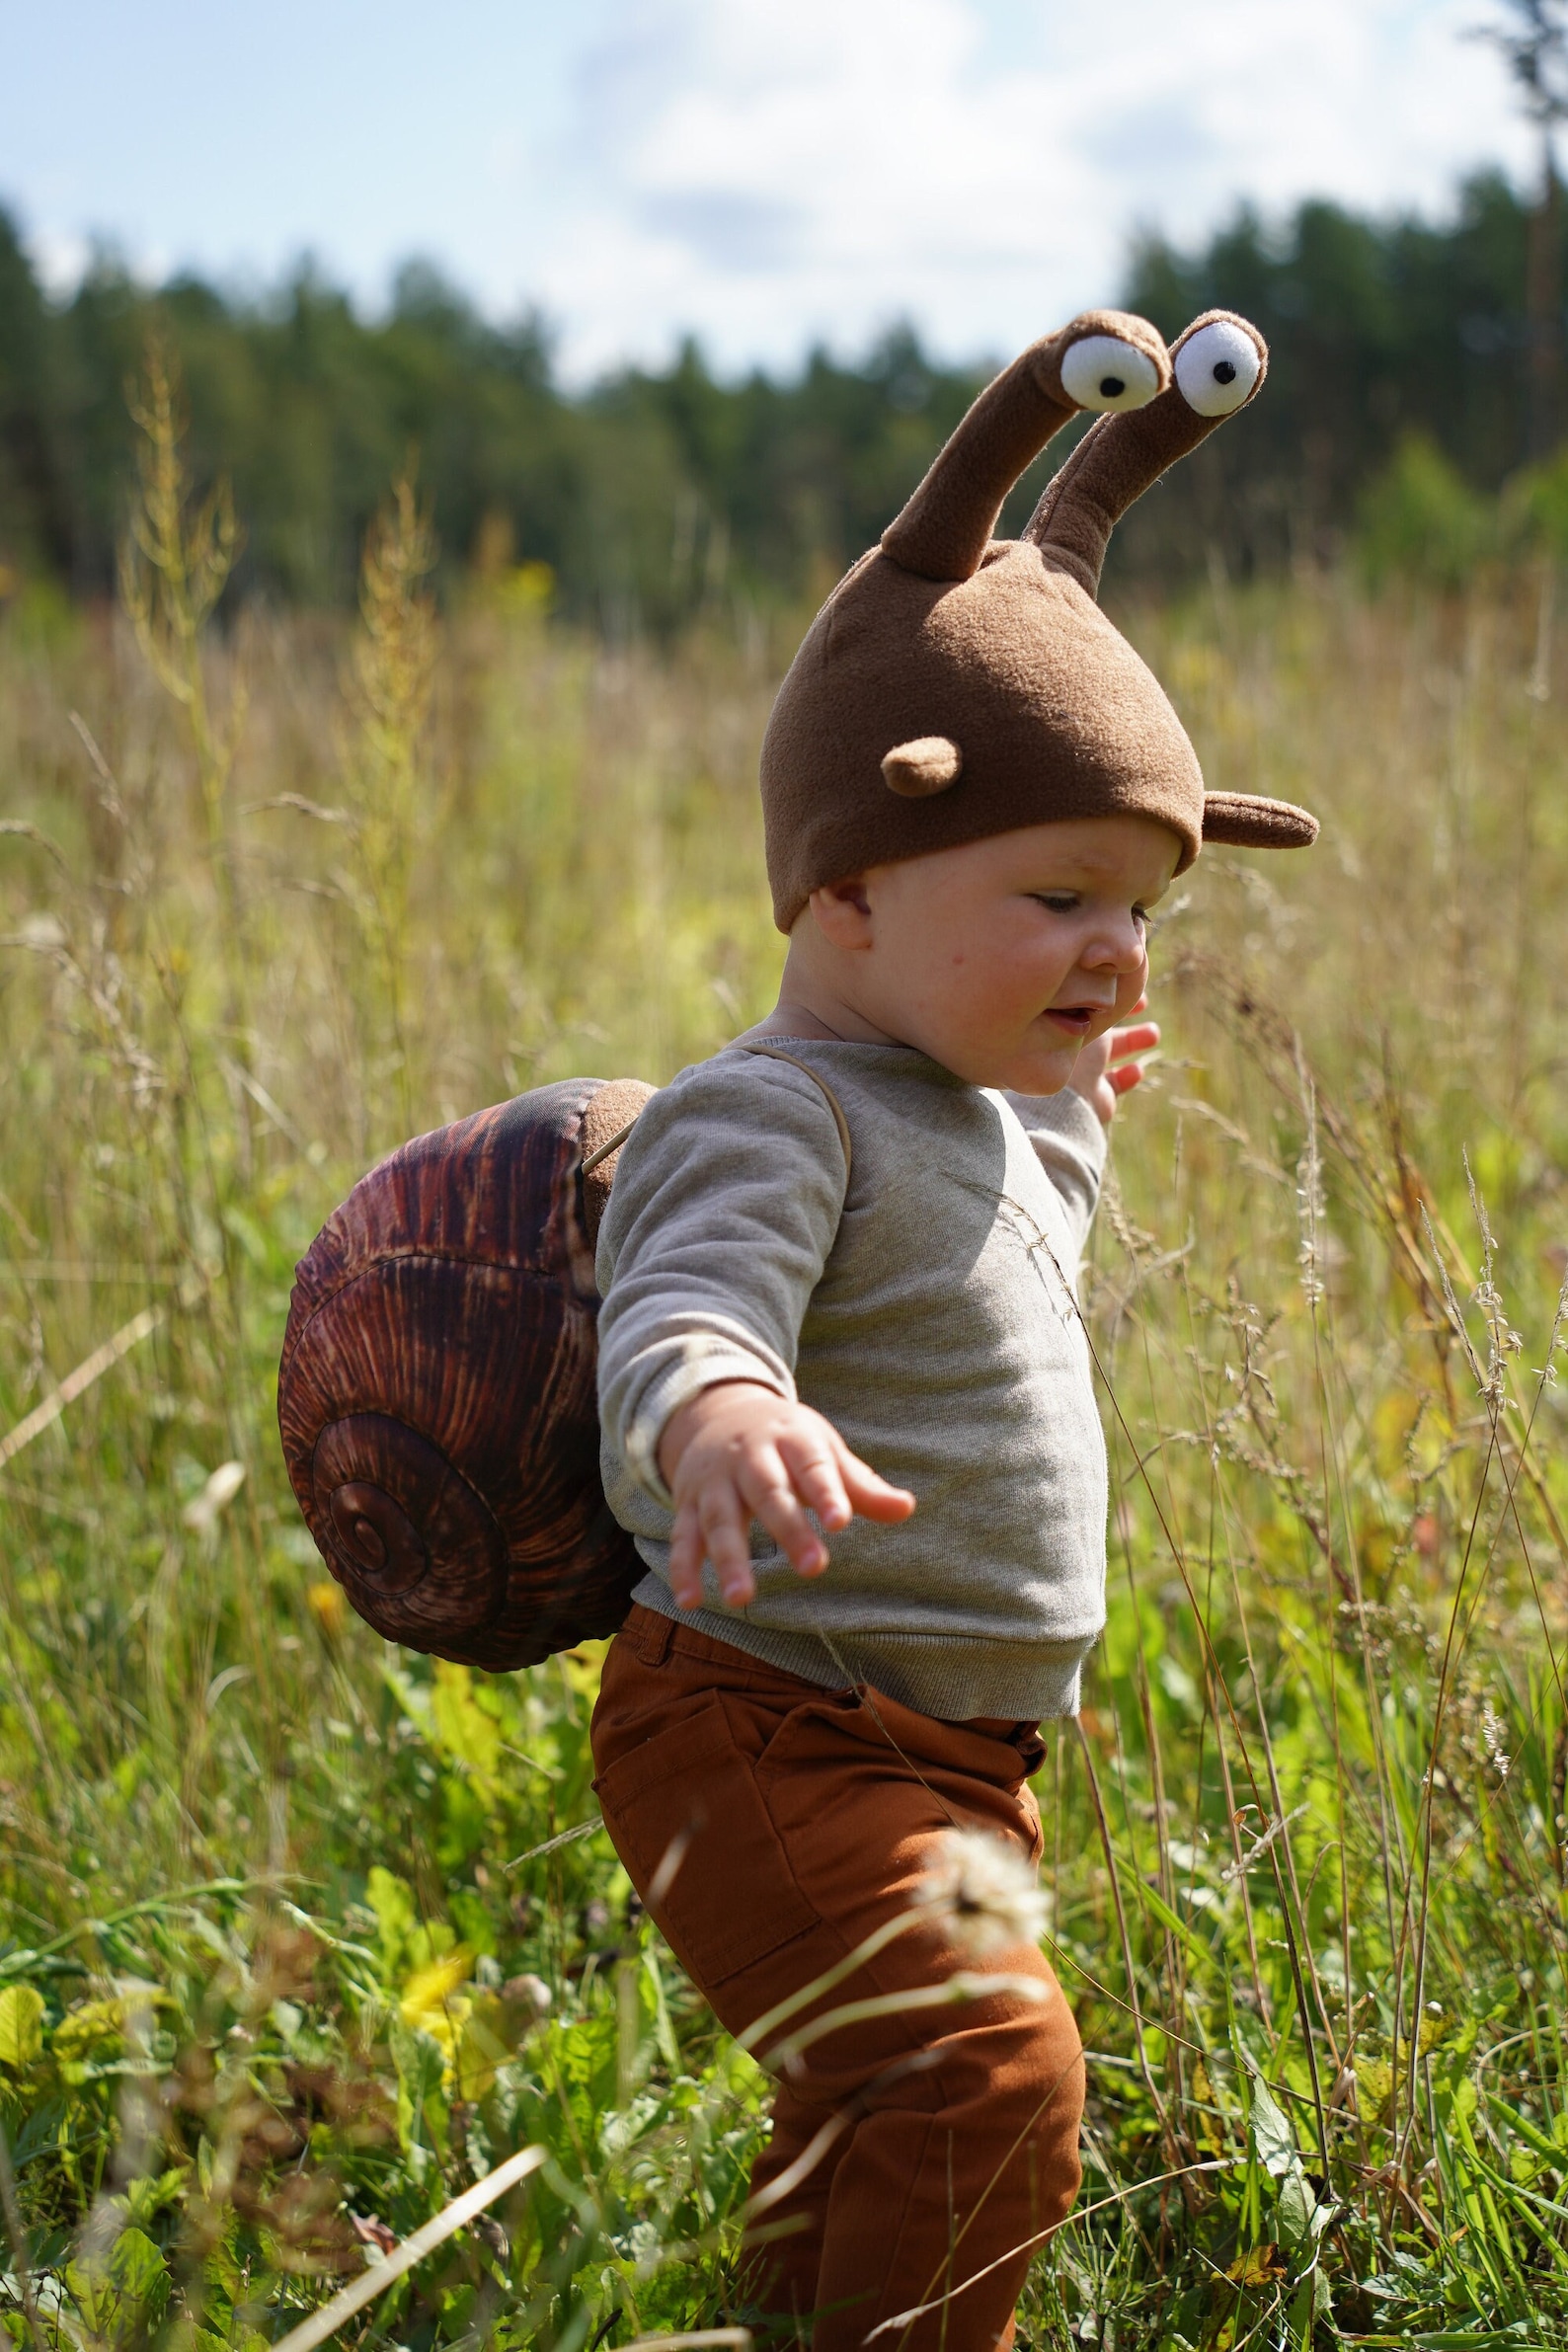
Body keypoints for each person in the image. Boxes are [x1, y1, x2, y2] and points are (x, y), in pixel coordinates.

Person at [588, 305, 1317, 2349]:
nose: (1112, 943)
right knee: (989, 2081)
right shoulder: (774, 1106)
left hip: (950, 1770)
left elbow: (1027, 1202)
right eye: (1060, 894)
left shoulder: (976, 1103)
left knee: (877, 2102)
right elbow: (680, 1296)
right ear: (848, 893)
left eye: (1141, 909)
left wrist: (1075, 1083)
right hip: (761, 1729)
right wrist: (721, 1410)